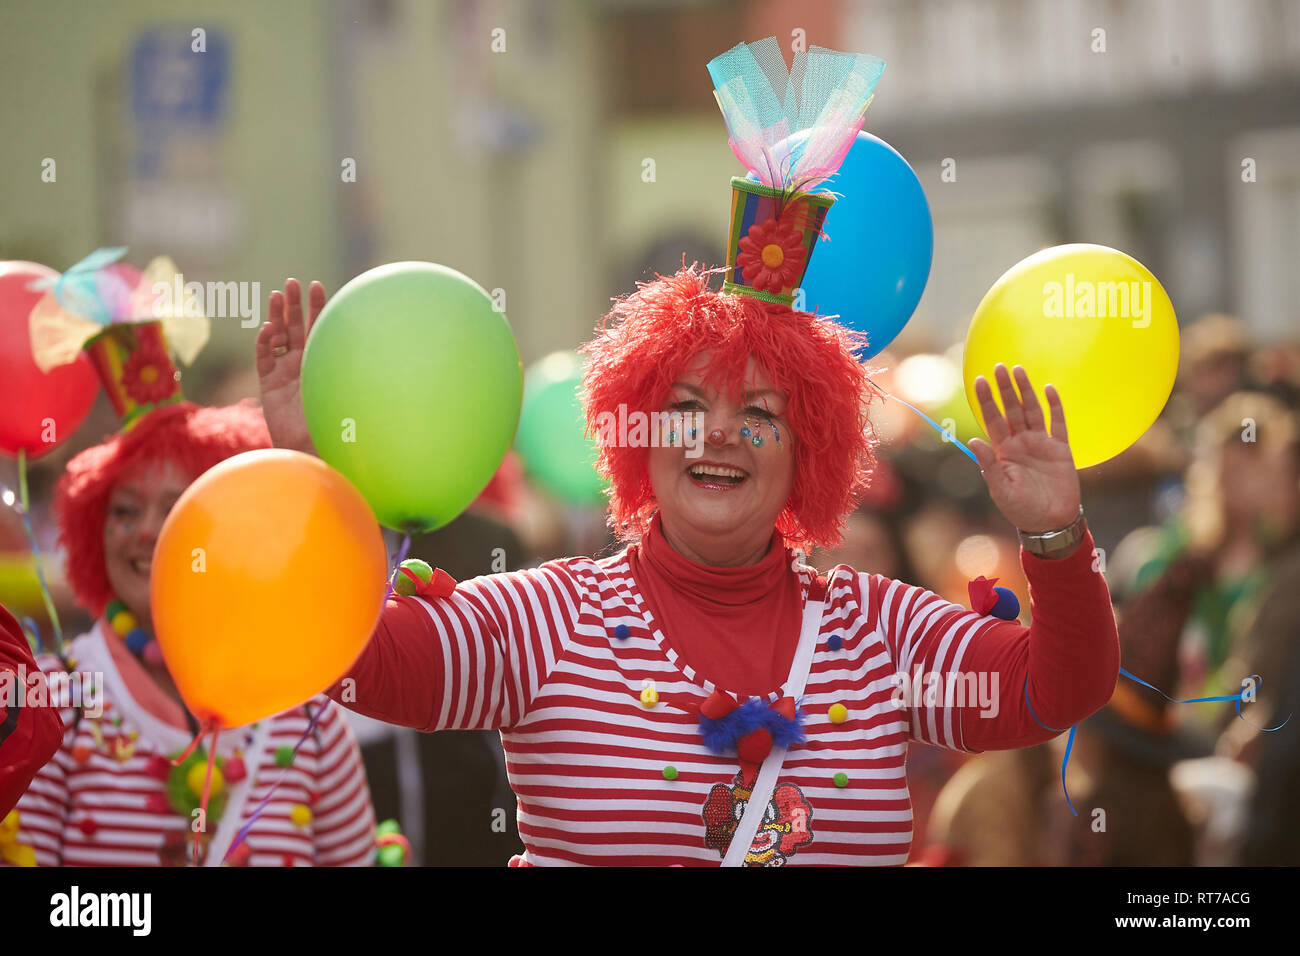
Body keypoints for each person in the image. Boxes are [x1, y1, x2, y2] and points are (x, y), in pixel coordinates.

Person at [257, 40, 1119, 866]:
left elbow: (1057, 690)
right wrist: (312, 477)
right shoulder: (548, 623)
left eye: (759, 412)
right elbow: (354, 662)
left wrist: (1054, 536)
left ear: (807, 450)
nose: (716, 434)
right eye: (684, 407)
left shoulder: (879, 634)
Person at [5, 304, 376, 866]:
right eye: (124, 511)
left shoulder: (312, 719)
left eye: (178, 507)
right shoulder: (53, 702)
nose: (147, 532)